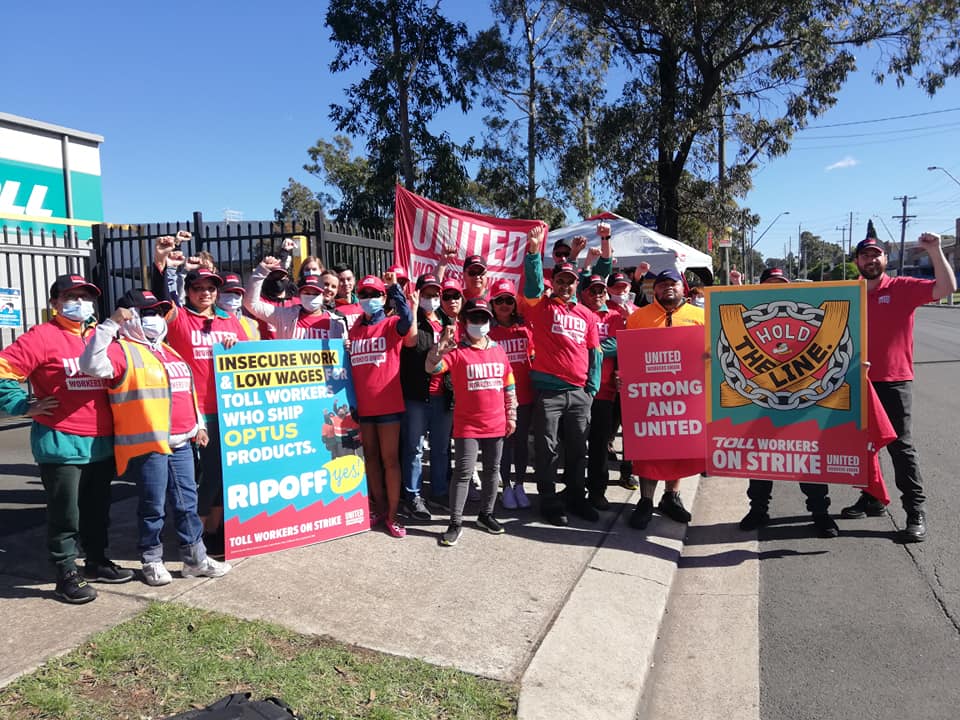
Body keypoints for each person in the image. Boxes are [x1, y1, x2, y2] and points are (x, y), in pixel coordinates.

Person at [79, 288, 232, 585]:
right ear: (129, 316)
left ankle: (194, 558)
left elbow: (185, 390)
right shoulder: (121, 349)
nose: (156, 319)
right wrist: (110, 325)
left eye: (159, 313)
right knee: (152, 505)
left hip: (182, 441)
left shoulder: (166, 349)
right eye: (147, 313)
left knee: (188, 502)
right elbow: (90, 365)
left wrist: (198, 424)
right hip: (147, 443)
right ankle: (151, 558)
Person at [0, 274, 133, 604]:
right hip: (61, 442)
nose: (80, 302)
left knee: (97, 510)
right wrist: (21, 404)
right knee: (66, 514)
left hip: (101, 442)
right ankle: (65, 572)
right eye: (70, 296)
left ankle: (97, 561)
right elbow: (3, 369)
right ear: (54, 303)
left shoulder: (101, 337)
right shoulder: (43, 336)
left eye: (85, 296)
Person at [840, 233, 956, 542]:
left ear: (885, 259)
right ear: (857, 262)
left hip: (894, 380)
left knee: (900, 447)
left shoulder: (903, 288)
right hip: (856, 380)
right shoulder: (848, 293)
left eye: (876, 254)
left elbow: (946, 288)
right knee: (862, 445)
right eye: (865, 255)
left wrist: (934, 251)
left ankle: (915, 510)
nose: (871, 259)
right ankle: (872, 497)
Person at [152, 237, 246, 557]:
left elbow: (253, 358)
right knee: (202, 477)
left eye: (211, 288)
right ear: (188, 291)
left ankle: (215, 530)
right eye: (197, 288)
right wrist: (162, 263)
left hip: (229, 409)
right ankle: (198, 532)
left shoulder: (229, 320)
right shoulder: (178, 318)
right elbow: (161, 298)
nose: (205, 293)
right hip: (196, 412)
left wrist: (239, 346)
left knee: (224, 473)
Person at [737, 267, 838, 538]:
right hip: (760, 401)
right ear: (760, 287)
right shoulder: (749, 314)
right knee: (759, 459)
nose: (776, 287)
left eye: (781, 283)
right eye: (770, 283)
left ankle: (820, 513)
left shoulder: (805, 310)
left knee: (808, 458)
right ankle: (758, 510)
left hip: (803, 400)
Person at [522, 226, 602, 526]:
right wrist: (532, 252)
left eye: (570, 282)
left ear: (576, 284)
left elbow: (595, 351)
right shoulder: (541, 308)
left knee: (579, 450)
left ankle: (576, 498)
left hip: (580, 394)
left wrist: (591, 388)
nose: (566, 286)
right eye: (561, 281)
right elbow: (531, 287)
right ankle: (549, 500)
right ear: (553, 283)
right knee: (547, 450)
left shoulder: (587, 315)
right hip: (550, 393)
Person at [426, 298, 517, 546]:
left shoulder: (499, 350)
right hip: (467, 425)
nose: (479, 323)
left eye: (483, 318)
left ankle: (486, 514)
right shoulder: (457, 352)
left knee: (492, 472)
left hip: (496, 423)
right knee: (464, 473)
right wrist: (439, 350)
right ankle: (455, 522)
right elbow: (431, 368)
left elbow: (508, 385)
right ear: (465, 321)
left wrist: (512, 415)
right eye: (474, 319)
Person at [626, 269, 705, 530]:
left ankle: (671, 497)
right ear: (654, 290)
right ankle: (645, 501)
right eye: (662, 284)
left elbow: (710, 353)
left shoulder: (700, 317)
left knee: (679, 447)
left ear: (684, 289)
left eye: (674, 283)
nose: (668, 287)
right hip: (649, 396)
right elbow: (630, 356)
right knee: (649, 449)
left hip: (687, 394)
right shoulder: (638, 317)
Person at [347, 275, 414, 538]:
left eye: (374, 294)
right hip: (363, 407)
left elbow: (408, 320)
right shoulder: (354, 328)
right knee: (371, 459)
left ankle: (394, 514)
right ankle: (379, 506)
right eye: (364, 294)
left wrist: (394, 288)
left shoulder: (391, 324)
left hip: (387, 405)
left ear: (383, 298)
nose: (369, 299)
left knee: (390, 461)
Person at [399, 272, 455, 519]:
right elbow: (411, 342)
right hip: (417, 395)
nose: (431, 299)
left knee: (442, 449)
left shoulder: (445, 320)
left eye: (435, 295)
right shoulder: (413, 320)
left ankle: (440, 492)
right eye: (426, 294)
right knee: (414, 449)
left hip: (443, 394)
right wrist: (411, 309)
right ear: (417, 294)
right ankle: (413, 496)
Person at [581, 274, 627, 511]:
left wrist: (588, 347)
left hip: (605, 391)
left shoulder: (615, 316)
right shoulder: (577, 312)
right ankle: (575, 488)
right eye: (592, 291)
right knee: (575, 445)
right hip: (577, 390)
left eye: (601, 291)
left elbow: (619, 343)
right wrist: (596, 348)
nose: (597, 295)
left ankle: (597, 492)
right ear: (583, 293)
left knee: (599, 446)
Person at [488, 279, 535, 510]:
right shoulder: (488, 332)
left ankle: (519, 484)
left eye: (509, 300)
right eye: (500, 301)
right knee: (505, 444)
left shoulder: (526, 328)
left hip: (525, 396)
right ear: (492, 304)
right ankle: (505, 485)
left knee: (522, 443)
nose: (505, 305)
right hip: (499, 400)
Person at [244, 259, 346, 340]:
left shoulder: (336, 323)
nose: (311, 296)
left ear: (323, 295)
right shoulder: (283, 316)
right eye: (307, 293)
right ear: (300, 295)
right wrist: (261, 271)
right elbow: (251, 304)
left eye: (315, 293)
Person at [216, 272, 260, 341]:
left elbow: (257, 349)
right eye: (228, 292)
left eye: (237, 293)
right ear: (216, 294)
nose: (233, 296)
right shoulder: (207, 321)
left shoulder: (252, 323)